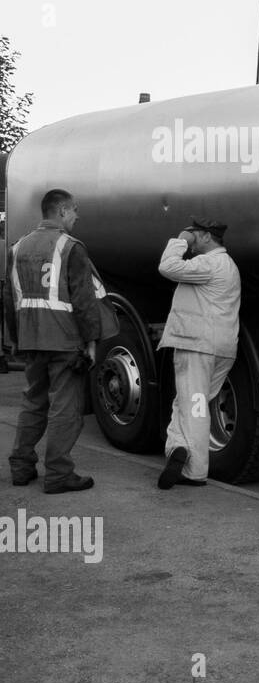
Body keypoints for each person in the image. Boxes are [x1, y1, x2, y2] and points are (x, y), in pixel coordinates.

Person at [4, 189, 118, 493]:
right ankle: (58, 474)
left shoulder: (18, 247)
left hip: (30, 339)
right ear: (62, 212)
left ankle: (21, 466)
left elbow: (8, 297)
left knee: (33, 402)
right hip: (64, 341)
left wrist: (14, 338)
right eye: (75, 211)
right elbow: (84, 301)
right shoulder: (71, 247)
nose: (77, 216)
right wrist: (91, 341)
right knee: (64, 409)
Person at [157, 218, 241, 490]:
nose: (191, 239)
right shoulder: (229, 265)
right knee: (189, 403)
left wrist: (180, 240)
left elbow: (167, 266)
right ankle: (178, 447)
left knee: (193, 407)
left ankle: (193, 471)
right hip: (221, 349)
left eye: (194, 234)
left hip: (197, 347)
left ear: (205, 236)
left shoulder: (209, 263)